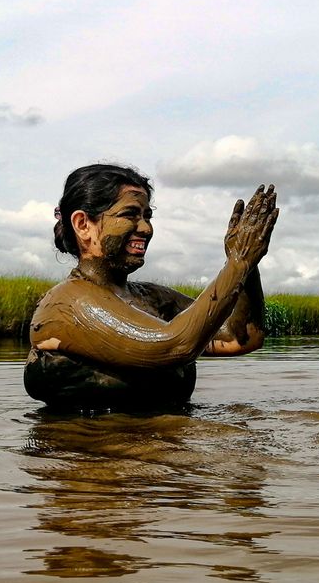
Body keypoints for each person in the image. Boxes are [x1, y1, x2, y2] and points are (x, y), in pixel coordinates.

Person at [24, 163, 278, 411]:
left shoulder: (151, 297)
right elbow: (175, 345)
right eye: (130, 214)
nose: (146, 228)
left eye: (147, 216)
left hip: (163, 446)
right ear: (82, 224)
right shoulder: (69, 302)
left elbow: (241, 338)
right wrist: (238, 262)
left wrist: (248, 262)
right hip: (94, 450)